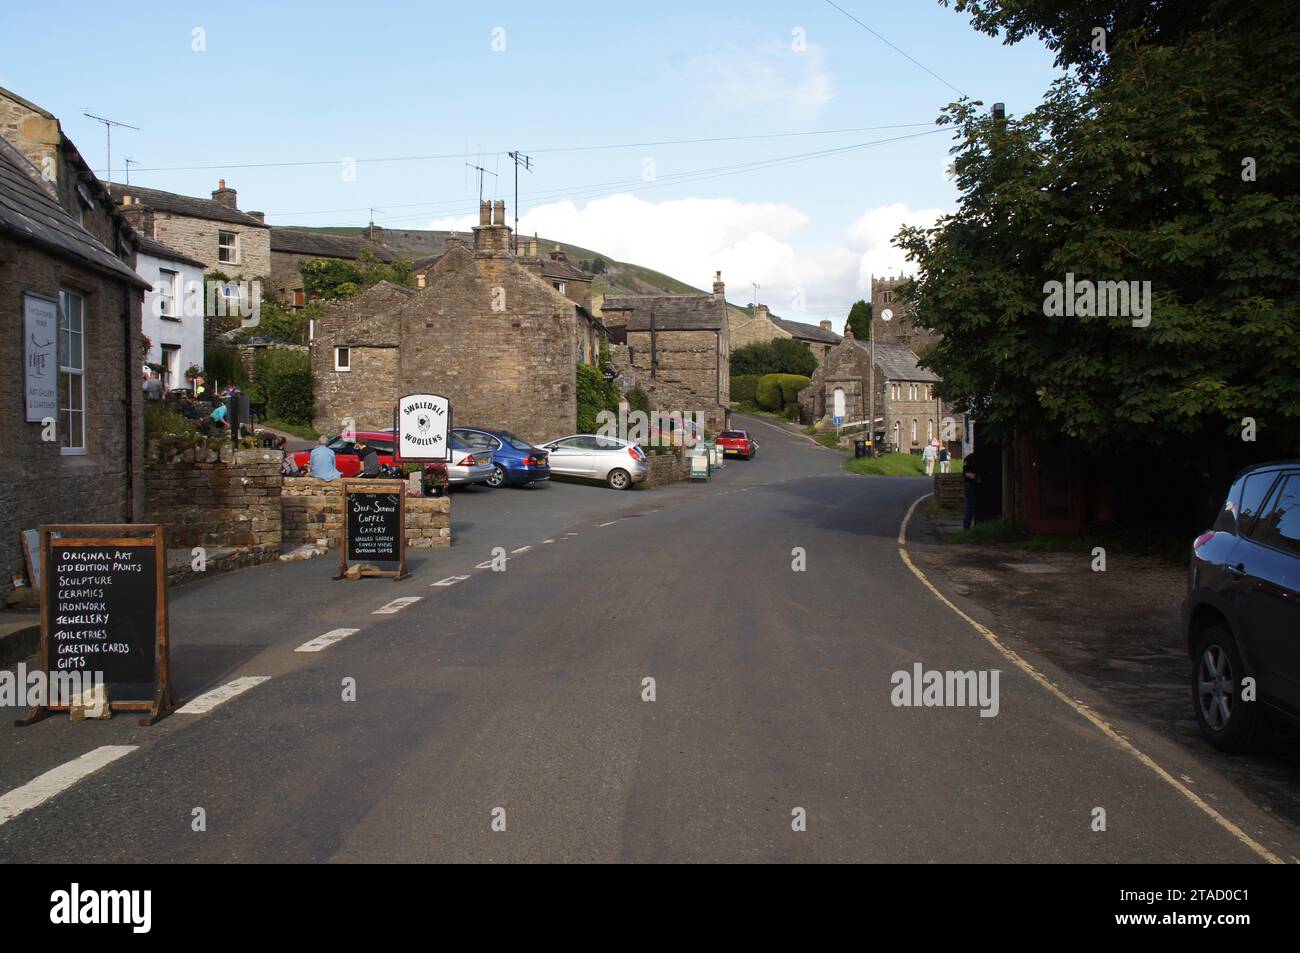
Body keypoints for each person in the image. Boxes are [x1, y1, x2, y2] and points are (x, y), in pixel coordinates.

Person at [963, 449, 979, 530]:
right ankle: (966, 527)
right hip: (970, 484)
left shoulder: (973, 457)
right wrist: (970, 475)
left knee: (972, 506)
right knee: (970, 506)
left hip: (974, 484)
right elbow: (965, 472)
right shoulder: (969, 458)